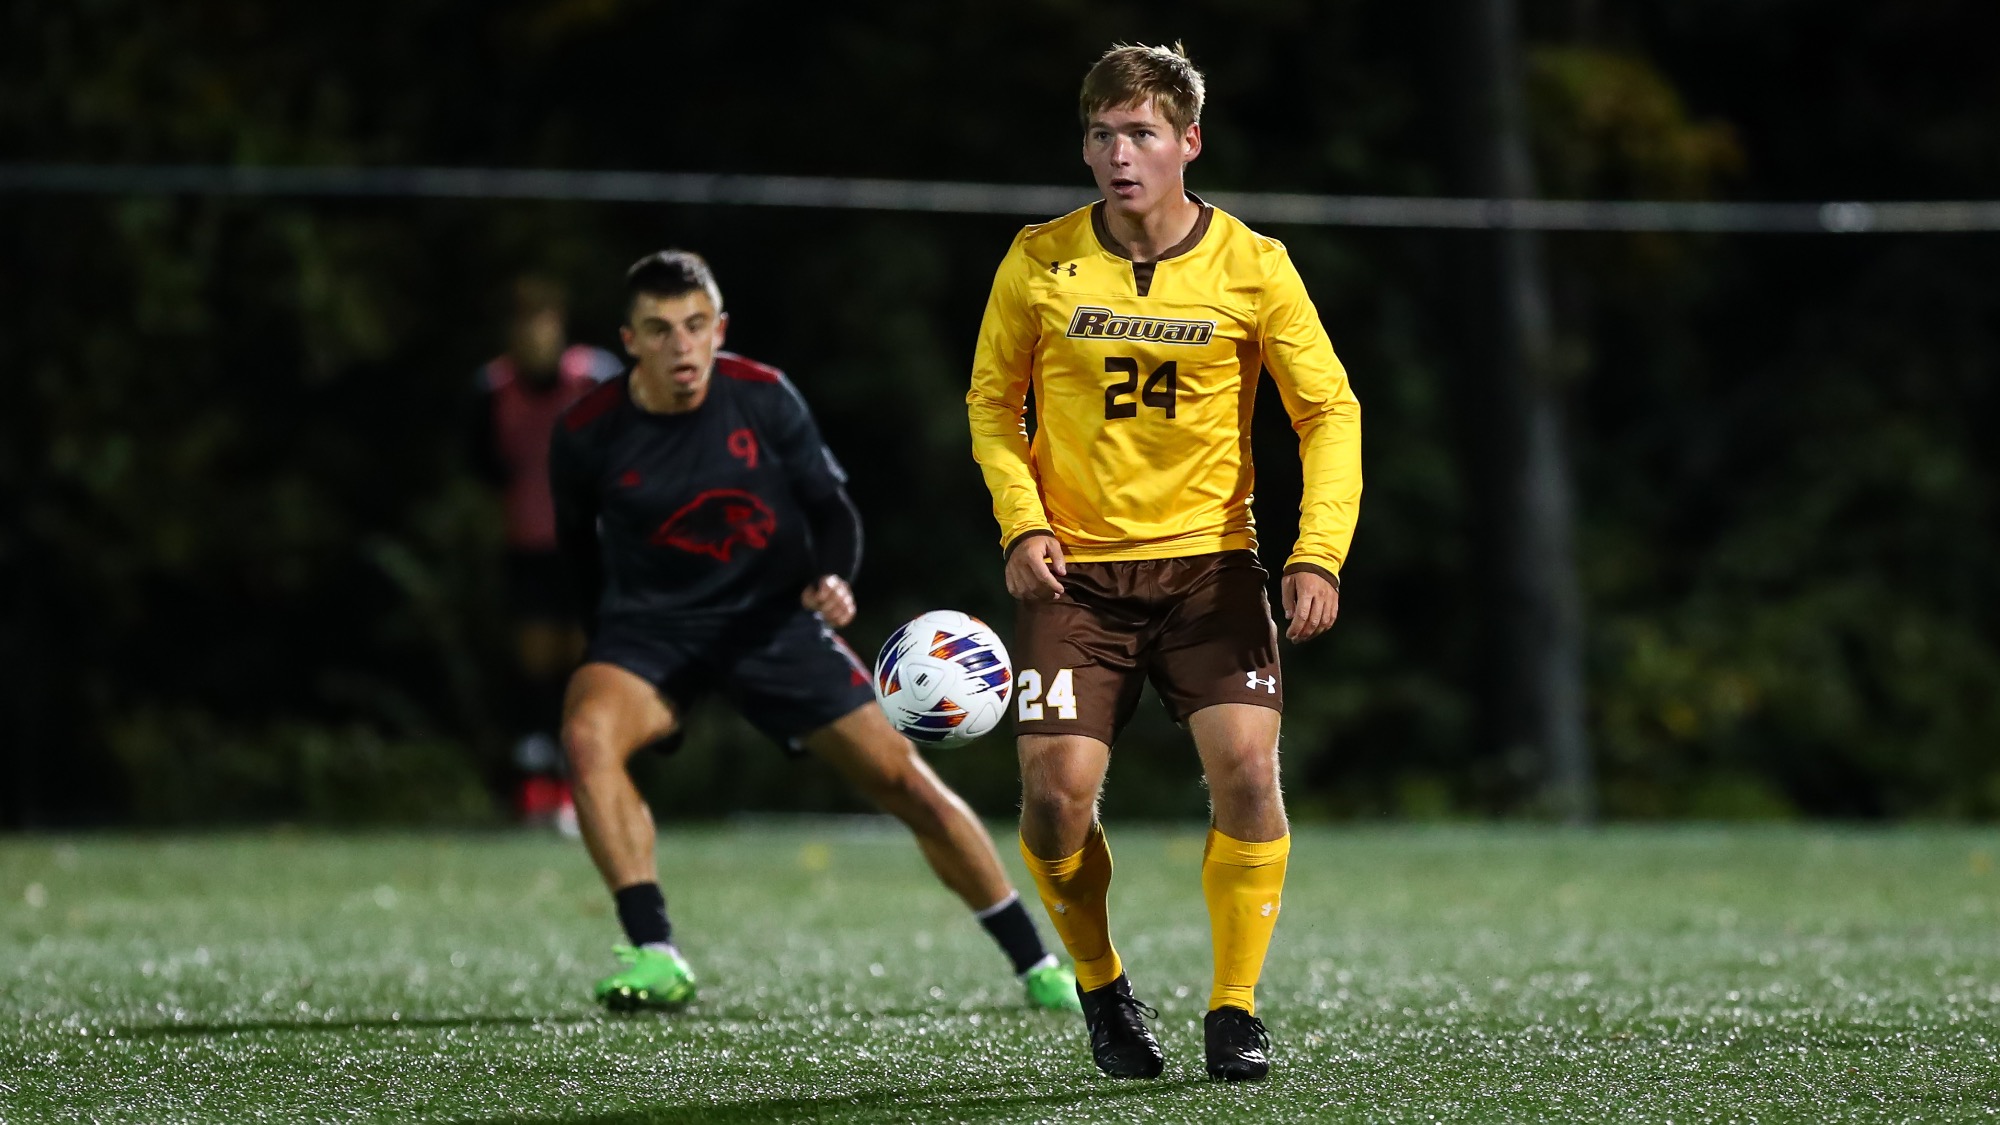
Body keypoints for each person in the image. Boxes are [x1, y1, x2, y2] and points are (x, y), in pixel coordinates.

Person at [965, 43, 1362, 1081]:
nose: (1117, 154)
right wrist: (1021, 523)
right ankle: (1102, 988)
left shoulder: (1253, 265)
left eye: (1139, 133)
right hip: (1076, 575)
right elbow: (992, 406)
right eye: (1100, 134)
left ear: (1188, 141)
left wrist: (1317, 552)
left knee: (1247, 772)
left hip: (1210, 567)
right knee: (1056, 798)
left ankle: (1234, 1009)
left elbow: (1328, 411)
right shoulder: (1038, 260)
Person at [551, 249, 1079, 1014]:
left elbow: (832, 510)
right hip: (651, 631)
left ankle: (1038, 963)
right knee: (586, 736)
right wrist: (599, 640)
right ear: (629, 341)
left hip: (772, 622)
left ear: (720, 329)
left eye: (696, 325)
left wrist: (833, 576)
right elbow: (575, 551)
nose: (681, 345)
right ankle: (653, 949)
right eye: (660, 330)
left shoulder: (762, 397)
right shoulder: (586, 431)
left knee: (904, 780)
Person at [466, 276, 621, 831]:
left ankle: (581, 788)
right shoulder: (493, 390)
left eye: (542, 322)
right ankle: (535, 791)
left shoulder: (594, 378)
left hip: (588, 549)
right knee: (535, 673)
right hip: (528, 547)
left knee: (584, 670)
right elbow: (483, 465)